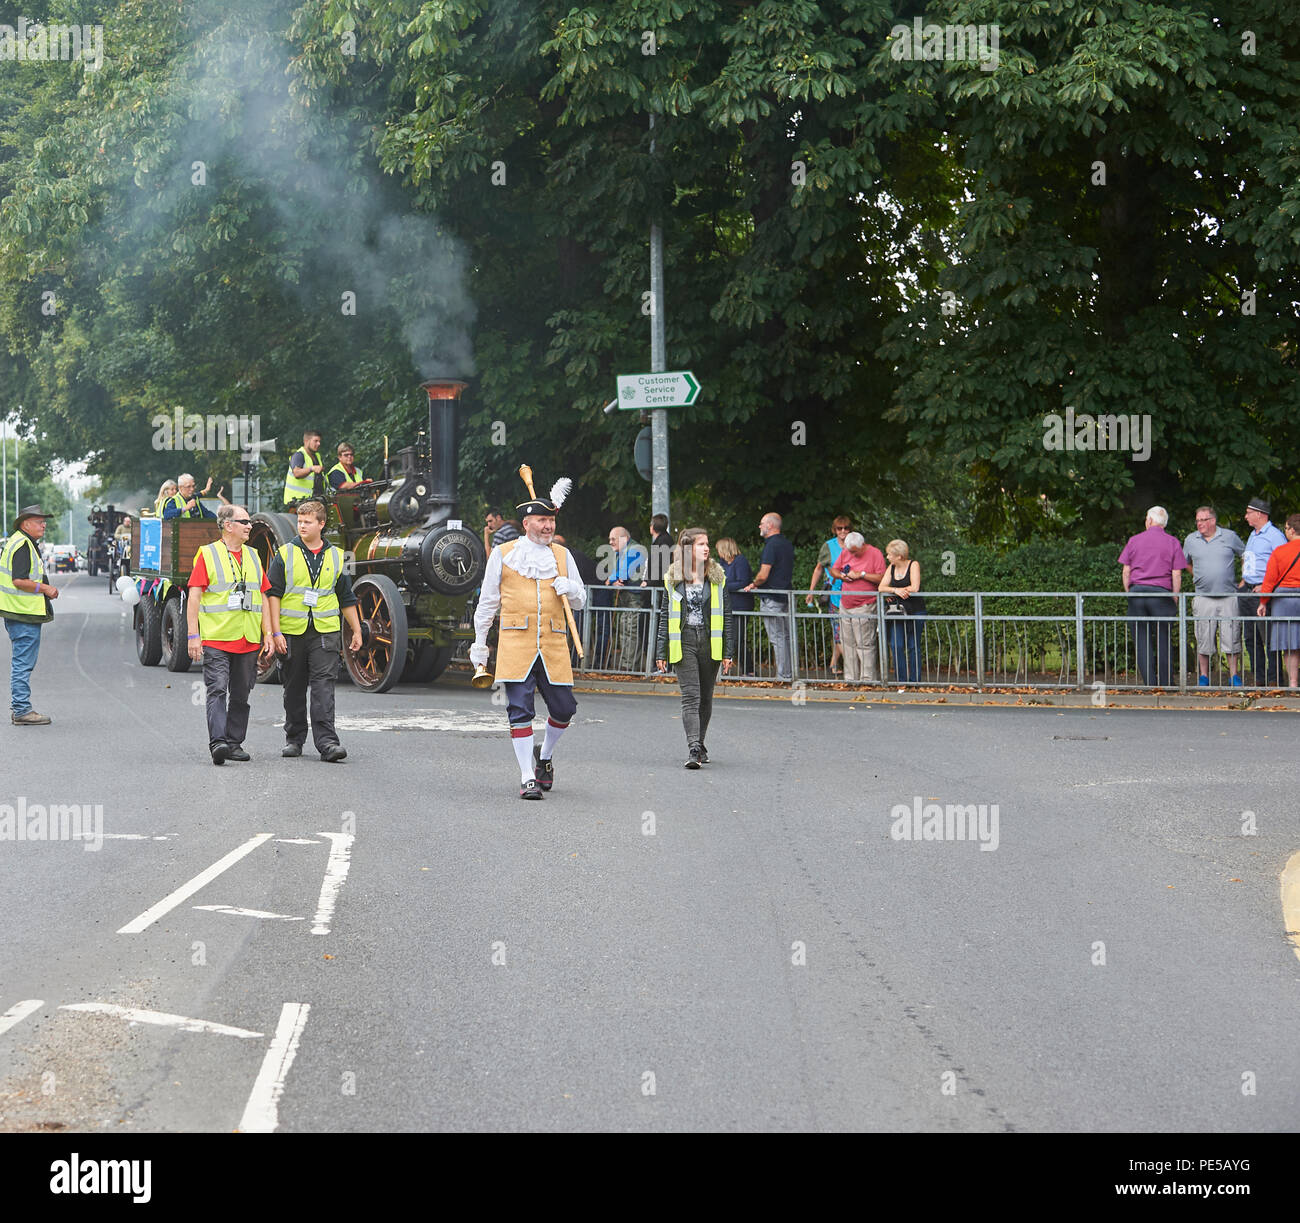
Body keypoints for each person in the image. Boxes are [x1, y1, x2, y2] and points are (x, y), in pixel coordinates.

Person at [470, 476, 586, 799]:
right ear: (526, 523)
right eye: (542, 520)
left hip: (554, 644)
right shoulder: (504, 554)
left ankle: (544, 756)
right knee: (519, 709)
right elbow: (488, 602)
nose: (548, 526)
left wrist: (571, 589)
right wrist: (480, 645)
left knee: (565, 708)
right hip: (515, 643)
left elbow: (581, 599)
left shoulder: (562, 556)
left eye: (551, 520)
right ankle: (526, 777)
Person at [267, 500, 363, 762]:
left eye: (307, 522)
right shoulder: (285, 553)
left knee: (324, 687)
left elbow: (346, 597)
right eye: (299, 521)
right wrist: (275, 633)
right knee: (294, 688)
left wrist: (356, 630)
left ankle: (328, 742)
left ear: (321, 524)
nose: (301, 526)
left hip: (325, 632)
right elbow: (272, 595)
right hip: (292, 631)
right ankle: (294, 739)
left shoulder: (338, 556)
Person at [185, 504, 273, 764]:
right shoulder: (208, 554)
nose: (250, 526)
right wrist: (193, 635)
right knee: (217, 690)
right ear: (228, 525)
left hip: (247, 639)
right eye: (244, 521)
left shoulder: (254, 556)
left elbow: (264, 596)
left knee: (241, 694)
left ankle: (234, 743)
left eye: (249, 521)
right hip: (217, 638)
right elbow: (195, 595)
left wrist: (268, 633)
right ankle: (218, 742)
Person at [655, 528, 735, 768]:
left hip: (711, 642)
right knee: (691, 697)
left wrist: (728, 651)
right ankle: (693, 748)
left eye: (707, 544)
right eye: (701, 544)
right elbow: (664, 615)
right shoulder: (673, 578)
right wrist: (661, 651)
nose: (706, 548)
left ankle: (700, 742)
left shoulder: (717, 577)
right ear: (689, 548)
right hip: (684, 641)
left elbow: (727, 615)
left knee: (705, 699)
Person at [0, 505, 58, 725]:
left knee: (21, 661)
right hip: (22, 612)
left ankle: (20, 708)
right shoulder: (23, 544)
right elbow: (19, 580)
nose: (43, 525)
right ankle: (22, 709)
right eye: (38, 521)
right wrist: (45, 589)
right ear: (25, 524)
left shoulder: (19, 541)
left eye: (44, 521)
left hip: (18, 610)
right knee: (23, 662)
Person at [1118, 506, 1188, 687]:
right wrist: (1175, 595)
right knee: (1163, 638)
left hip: (1137, 593)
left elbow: (1126, 571)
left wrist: (1130, 593)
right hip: (1161, 594)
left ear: (1149, 521)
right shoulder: (1172, 542)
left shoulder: (1134, 540)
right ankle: (1166, 683)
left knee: (1142, 640)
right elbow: (1177, 574)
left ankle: (1149, 683)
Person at [1182, 506, 1246, 686]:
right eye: (1197, 520)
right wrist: (1197, 575)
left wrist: (1244, 579)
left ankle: (1234, 676)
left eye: (1203, 520)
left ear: (1213, 521)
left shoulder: (1229, 536)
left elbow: (1246, 555)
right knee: (1203, 638)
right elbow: (1183, 562)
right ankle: (1204, 676)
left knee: (1232, 638)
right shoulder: (1191, 540)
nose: (1199, 524)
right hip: (1203, 597)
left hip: (1228, 596)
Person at [1239, 496, 1286, 687]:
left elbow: (1284, 565)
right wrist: (1243, 582)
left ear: (1259, 514)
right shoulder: (1253, 534)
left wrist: (1268, 586)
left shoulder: (1274, 536)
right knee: (1251, 638)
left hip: (1263, 593)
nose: (1245, 516)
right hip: (1248, 591)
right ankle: (1259, 679)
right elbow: (1249, 559)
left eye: (1249, 513)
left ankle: (1274, 679)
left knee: (1268, 638)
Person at [742, 512, 795, 681]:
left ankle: (783, 675)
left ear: (770, 525)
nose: (759, 526)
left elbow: (764, 574)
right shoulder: (786, 544)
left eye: (762, 523)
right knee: (785, 636)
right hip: (785, 595)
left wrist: (754, 584)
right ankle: (788, 673)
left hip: (772, 597)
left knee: (777, 638)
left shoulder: (771, 546)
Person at [832, 531, 886, 683]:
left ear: (862, 545)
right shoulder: (846, 551)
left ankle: (867, 679)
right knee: (847, 643)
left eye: (854, 551)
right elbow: (834, 570)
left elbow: (882, 578)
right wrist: (842, 576)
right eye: (850, 551)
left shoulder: (875, 553)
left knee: (864, 644)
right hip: (846, 603)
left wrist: (861, 574)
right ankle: (851, 679)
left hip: (865, 604)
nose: (852, 554)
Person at [1256, 513, 1300, 689]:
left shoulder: (1280, 551)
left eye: (1286, 528)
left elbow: (1269, 580)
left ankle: (1292, 683)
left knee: (1289, 645)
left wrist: (1263, 602)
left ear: (1291, 529)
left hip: (1283, 601)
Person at [807, 516, 852, 674]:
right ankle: (852, 667)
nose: (843, 531)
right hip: (835, 594)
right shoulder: (829, 546)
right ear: (835, 530)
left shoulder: (855, 544)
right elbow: (819, 568)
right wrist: (812, 591)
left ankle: (834, 664)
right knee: (838, 630)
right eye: (840, 528)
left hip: (853, 593)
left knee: (847, 631)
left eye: (846, 528)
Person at [879, 539, 925, 685]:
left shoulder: (913, 565)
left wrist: (897, 591)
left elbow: (915, 587)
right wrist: (895, 590)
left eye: (889, 554)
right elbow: (881, 587)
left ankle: (915, 681)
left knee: (913, 645)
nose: (887, 557)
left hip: (916, 610)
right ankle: (901, 680)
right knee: (896, 644)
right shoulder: (890, 568)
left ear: (899, 556)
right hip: (898, 611)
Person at [606, 525, 648, 672]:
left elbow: (622, 573)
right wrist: (613, 580)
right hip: (628, 596)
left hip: (634, 597)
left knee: (630, 630)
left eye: (613, 539)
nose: (610, 542)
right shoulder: (624, 551)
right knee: (625, 630)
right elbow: (619, 572)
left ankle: (629, 666)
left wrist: (611, 580)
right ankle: (626, 664)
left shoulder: (634, 549)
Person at [716, 538, 754, 674]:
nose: (718, 553)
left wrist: (724, 586)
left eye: (719, 549)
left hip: (741, 605)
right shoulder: (722, 563)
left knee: (738, 639)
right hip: (728, 605)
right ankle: (727, 669)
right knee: (728, 639)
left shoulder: (740, 561)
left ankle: (749, 670)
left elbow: (743, 582)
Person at [284, 429, 325, 507]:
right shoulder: (299, 455)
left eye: (319, 441)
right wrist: (311, 469)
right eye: (315, 441)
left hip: (313, 500)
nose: (319, 443)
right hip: (298, 501)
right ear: (306, 441)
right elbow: (296, 473)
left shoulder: (317, 456)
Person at [648, 513, 673, 583]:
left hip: (659, 585)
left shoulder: (662, 541)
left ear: (653, 527)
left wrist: (648, 583)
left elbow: (660, 567)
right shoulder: (665, 539)